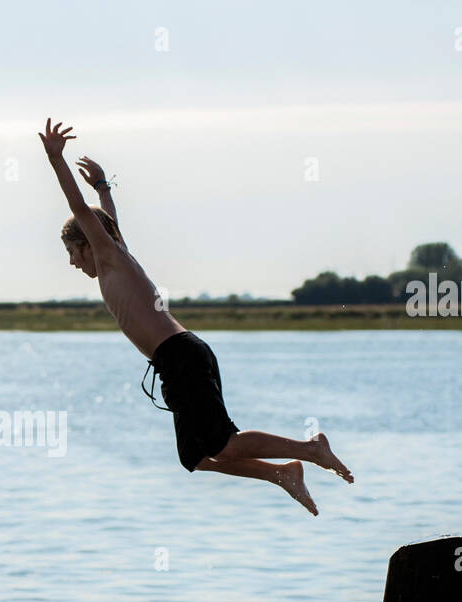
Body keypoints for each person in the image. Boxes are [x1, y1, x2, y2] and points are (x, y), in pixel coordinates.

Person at [40, 118, 352, 515]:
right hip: (174, 360)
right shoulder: (119, 256)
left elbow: (80, 209)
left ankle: (310, 450)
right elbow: (106, 217)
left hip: (180, 355)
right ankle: (283, 474)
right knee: (197, 456)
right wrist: (103, 185)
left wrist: (56, 160)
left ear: (88, 244)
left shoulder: (111, 255)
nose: (71, 261)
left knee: (225, 443)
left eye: (72, 251)